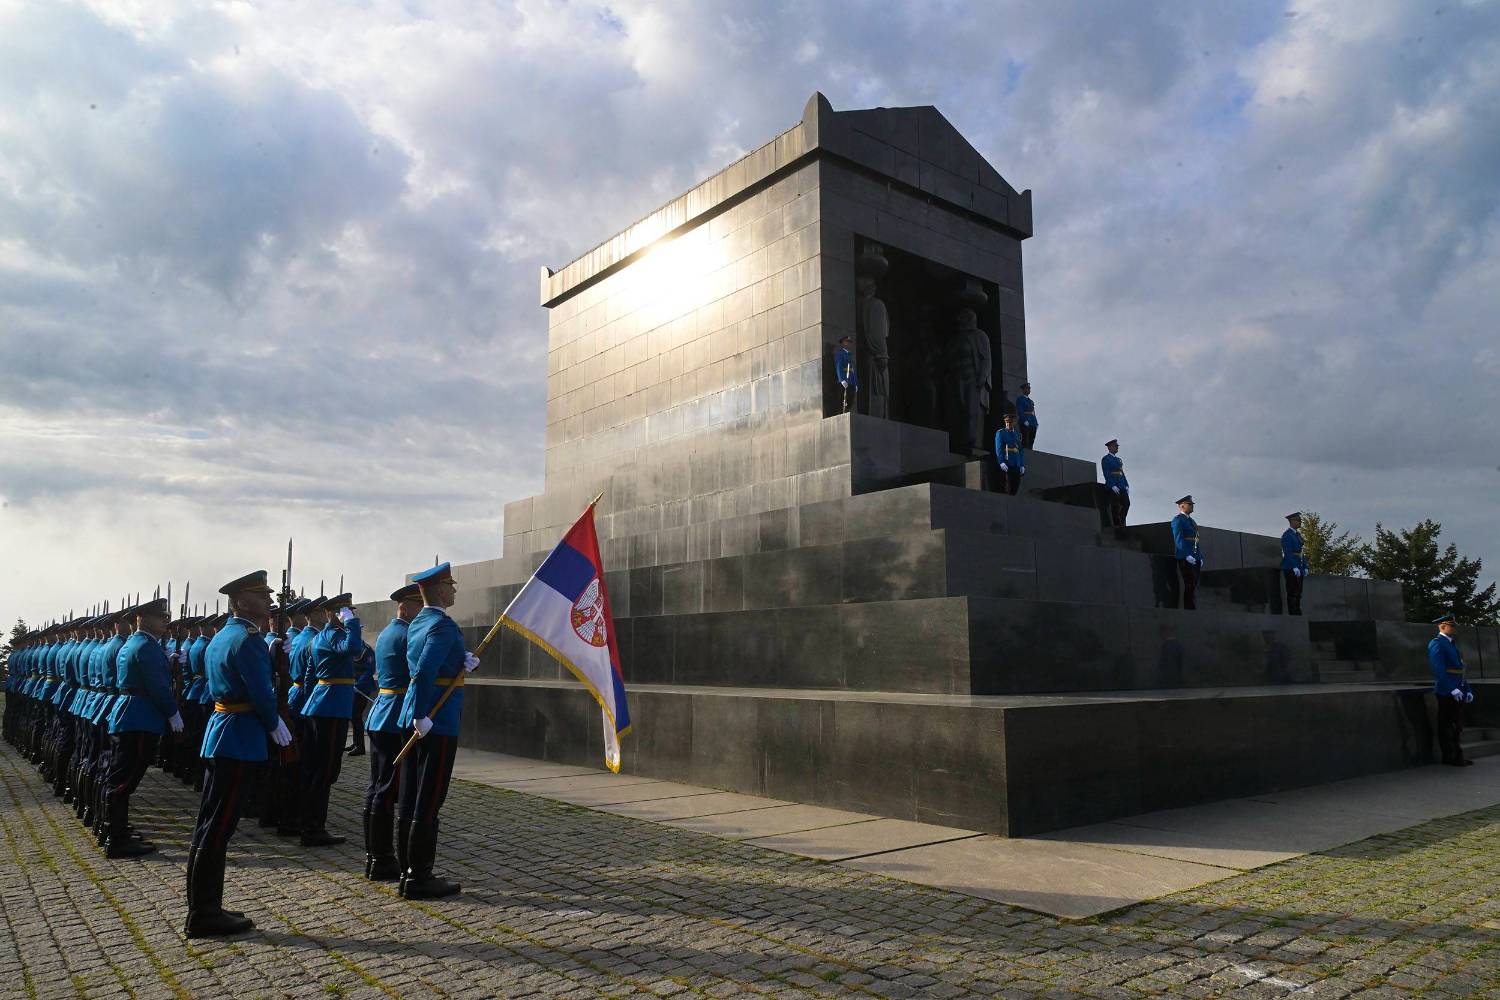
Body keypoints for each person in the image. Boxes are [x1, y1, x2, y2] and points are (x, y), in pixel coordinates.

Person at [188, 570, 292, 937]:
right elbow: (260, 690)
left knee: (211, 823)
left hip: (223, 732)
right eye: (261, 596)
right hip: (239, 736)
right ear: (242, 601)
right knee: (219, 827)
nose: (269, 602)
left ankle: (205, 907)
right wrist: (273, 721)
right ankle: (204, 913)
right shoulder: (248, 639)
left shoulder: (225, 636)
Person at [397, 562, 480, 899]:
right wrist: (421, 714)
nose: (455, 590)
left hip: (417, 717)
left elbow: (426, 664)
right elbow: (425, 670)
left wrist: (460, 661)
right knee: (429, 799)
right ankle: (420, 877)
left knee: (410, 795)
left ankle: (407, 870)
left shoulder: (420, 621)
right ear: (439, 590)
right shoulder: (443, 626)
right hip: (436, 719)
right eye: (451, 585)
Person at [102, 598, 182, 858]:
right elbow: (158, 686)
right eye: (161, 617)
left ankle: (116, 831)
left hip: (132, 713)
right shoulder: (146, 647)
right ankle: (116, 839)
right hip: (140, 717)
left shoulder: (137, 643)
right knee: (125, 780)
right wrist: (172, 713)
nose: (165, 621)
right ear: (143, 618)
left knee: (121, 777)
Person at [363, 582, 423, 882]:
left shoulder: (389, 632)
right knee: (389, 788)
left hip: (380, 712)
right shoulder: (407, 634)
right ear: (407, 606)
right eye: (419, 605)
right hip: (396, 715)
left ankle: (374, 855)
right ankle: (383, 858)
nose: (422, 610)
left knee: (377, 786)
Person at [299, 592, 363, 846]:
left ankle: (310, 824)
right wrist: (351, 623)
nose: (347, 615)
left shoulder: (318, 638)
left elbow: (308, 677)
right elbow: (355, 649)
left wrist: (306, 704)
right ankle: (314, 828)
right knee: (325, 770)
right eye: (343, 611)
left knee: (316, 768)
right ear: (332, 614)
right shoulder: (335, 635)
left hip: (319, 705)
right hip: (331, 708)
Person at [1429, 612, 1473, 767]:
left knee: (1457, 725)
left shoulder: (1451, 643)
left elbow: (1460, 669)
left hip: (1458, 689)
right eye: (1451, 626)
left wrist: (1467, 689)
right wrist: (1451, 689)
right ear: (1442, 626)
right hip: (1446, 692)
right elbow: (1439, 670)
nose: (1454, 628)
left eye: (1454, 626)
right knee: (1448, 726)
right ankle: (1450, 756)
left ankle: (1457, 755)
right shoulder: (1437, 643)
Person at [1171, 495, 1203, 611]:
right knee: (1189, 583)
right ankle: (1190, 609)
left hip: (1195, 556)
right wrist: (1186, 555)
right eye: (1190, 504)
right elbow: (1179, 539)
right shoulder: (1178, 520)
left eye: (1192, 504)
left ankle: (1192, 608)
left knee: (1194, 584)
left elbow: (1196, 539)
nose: (1192, 506)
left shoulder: (1192, 521)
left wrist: (1200, 556)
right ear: (1182, 506)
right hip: (1185, 557)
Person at [1280, 512, 1309, 616]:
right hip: (1290, 566)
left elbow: (1301, 551)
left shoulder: (1297, 535)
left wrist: (1305, 566)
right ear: (1292, 521)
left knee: (1299, 592)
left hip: (1299, 565)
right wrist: (1294, 566)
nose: (1300, 522)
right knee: (1292, 591)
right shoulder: (1287, 535)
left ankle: (1297, 610)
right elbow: (1287, 552)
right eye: (1298, 520)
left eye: (1300, 520)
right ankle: (1293, 612)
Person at [994, 412, 1025, 496]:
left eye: (1010, 422)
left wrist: (1022, 465)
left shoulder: (1018, 434)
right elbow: (999, 449)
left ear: (1014, 422)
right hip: (1007, 462)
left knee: (1016, 485)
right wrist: (1001, 462)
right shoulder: (1001, 433)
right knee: (1008, 485)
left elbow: (1020, 450)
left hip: (1016, 462)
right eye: (1007, 422)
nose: (1008, 424)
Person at [1101, 439, 1130, 527]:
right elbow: (1106, 473)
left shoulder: (1119, 460)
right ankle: (1117, 523)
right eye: (1115, 446)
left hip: (1121, 485)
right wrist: (1112, 485)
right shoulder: (1106, 459)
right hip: (1113, 484)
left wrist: (1126, 484)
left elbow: (1122, 473)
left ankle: (1121, 519)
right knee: (1116, 504)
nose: (1117, 448)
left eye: (1117, 446)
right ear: (1109, 447)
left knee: (1126, 503)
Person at [834, 335, 856, 413]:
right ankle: (841, 413)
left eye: (850, 342)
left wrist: (856, 383)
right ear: (843, 343)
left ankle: (846, 411)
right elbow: (838, 367)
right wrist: (842, 380)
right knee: (842, 399)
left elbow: (853, 370)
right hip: (844, 380)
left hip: (851, 381)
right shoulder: (840, 353)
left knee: (850, 399)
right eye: (847, 342)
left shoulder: (851, 355)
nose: (849, 344)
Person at [1015, 382, 1038, 449]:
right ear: (1023, 390)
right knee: (1025, 440)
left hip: (1032, 423)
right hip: (1025, 422)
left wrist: (1036, 423)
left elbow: (1033, 413)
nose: (1029, 390)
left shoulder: (1030, 401)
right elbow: (1020, 411)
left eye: (1029, 388)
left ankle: (1030, 453)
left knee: (1031, 441)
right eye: (1027, 388)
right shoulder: (1020, 399)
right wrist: (1024, 420)